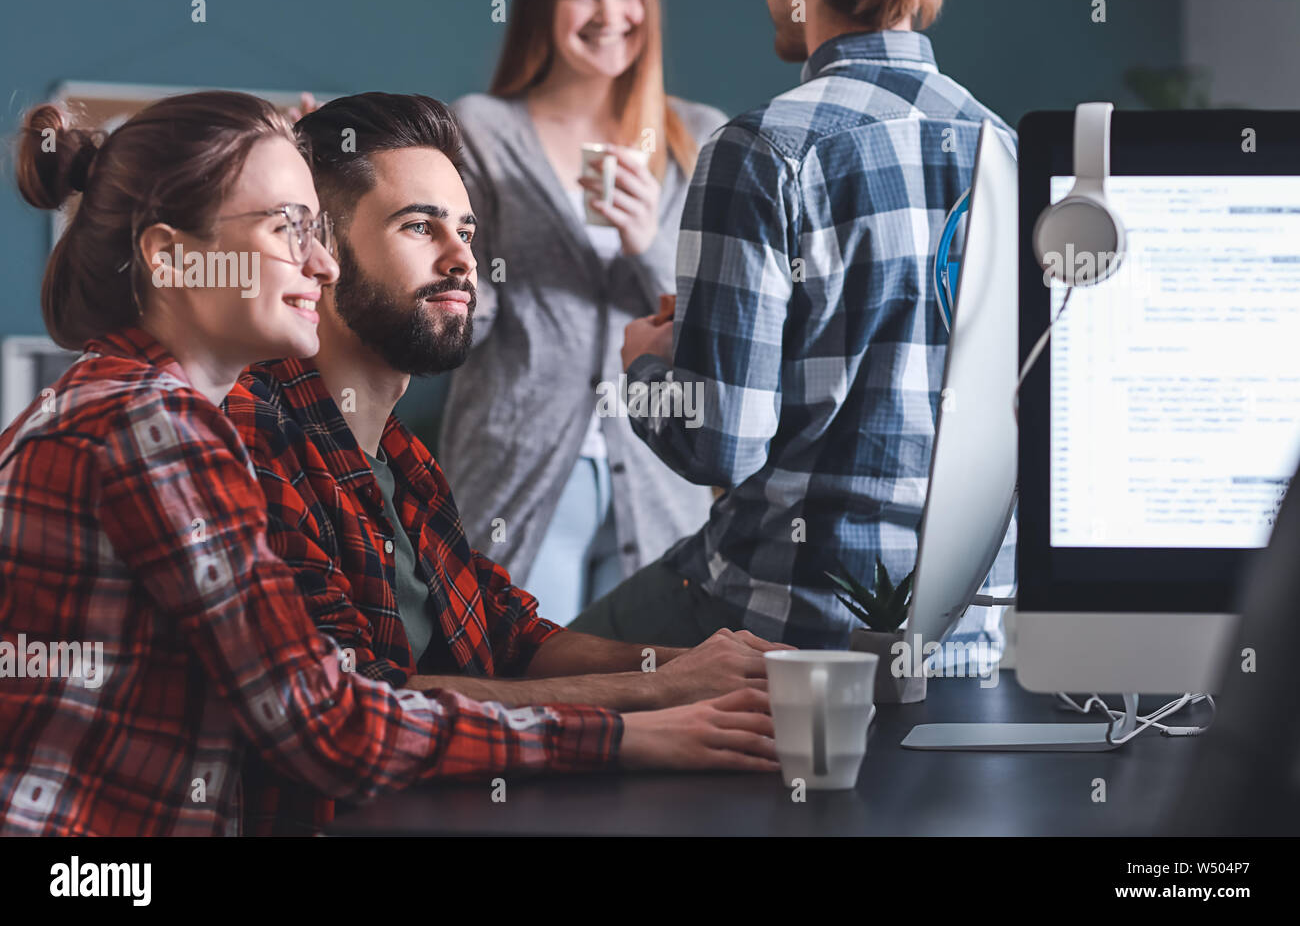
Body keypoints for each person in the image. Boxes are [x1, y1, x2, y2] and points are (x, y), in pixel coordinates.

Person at [0, 92, 777, 837]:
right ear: (170, 258)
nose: (321, 264)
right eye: (287, 228)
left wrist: (678, 676)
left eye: (468, 231)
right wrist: (637, 722)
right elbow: (329, 718)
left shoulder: (367, 449)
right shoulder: (164, 427)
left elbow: (494, 630)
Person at [570, 0, 1018, 649]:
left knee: (539, 671)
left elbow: (721, 443)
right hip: (973, 627)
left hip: (779, 614)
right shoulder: (1010, 152)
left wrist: (646, 368)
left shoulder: (762, 150)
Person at [436, 0, 727, 624]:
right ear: (543, 4)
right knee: (526, 693)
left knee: (646, 695)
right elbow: (466, 323)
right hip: (517, 469)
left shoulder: (701, 136)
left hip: (663, 478)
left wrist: (647, 244)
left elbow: (717, 327)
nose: (610, 14)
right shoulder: (481, 129)